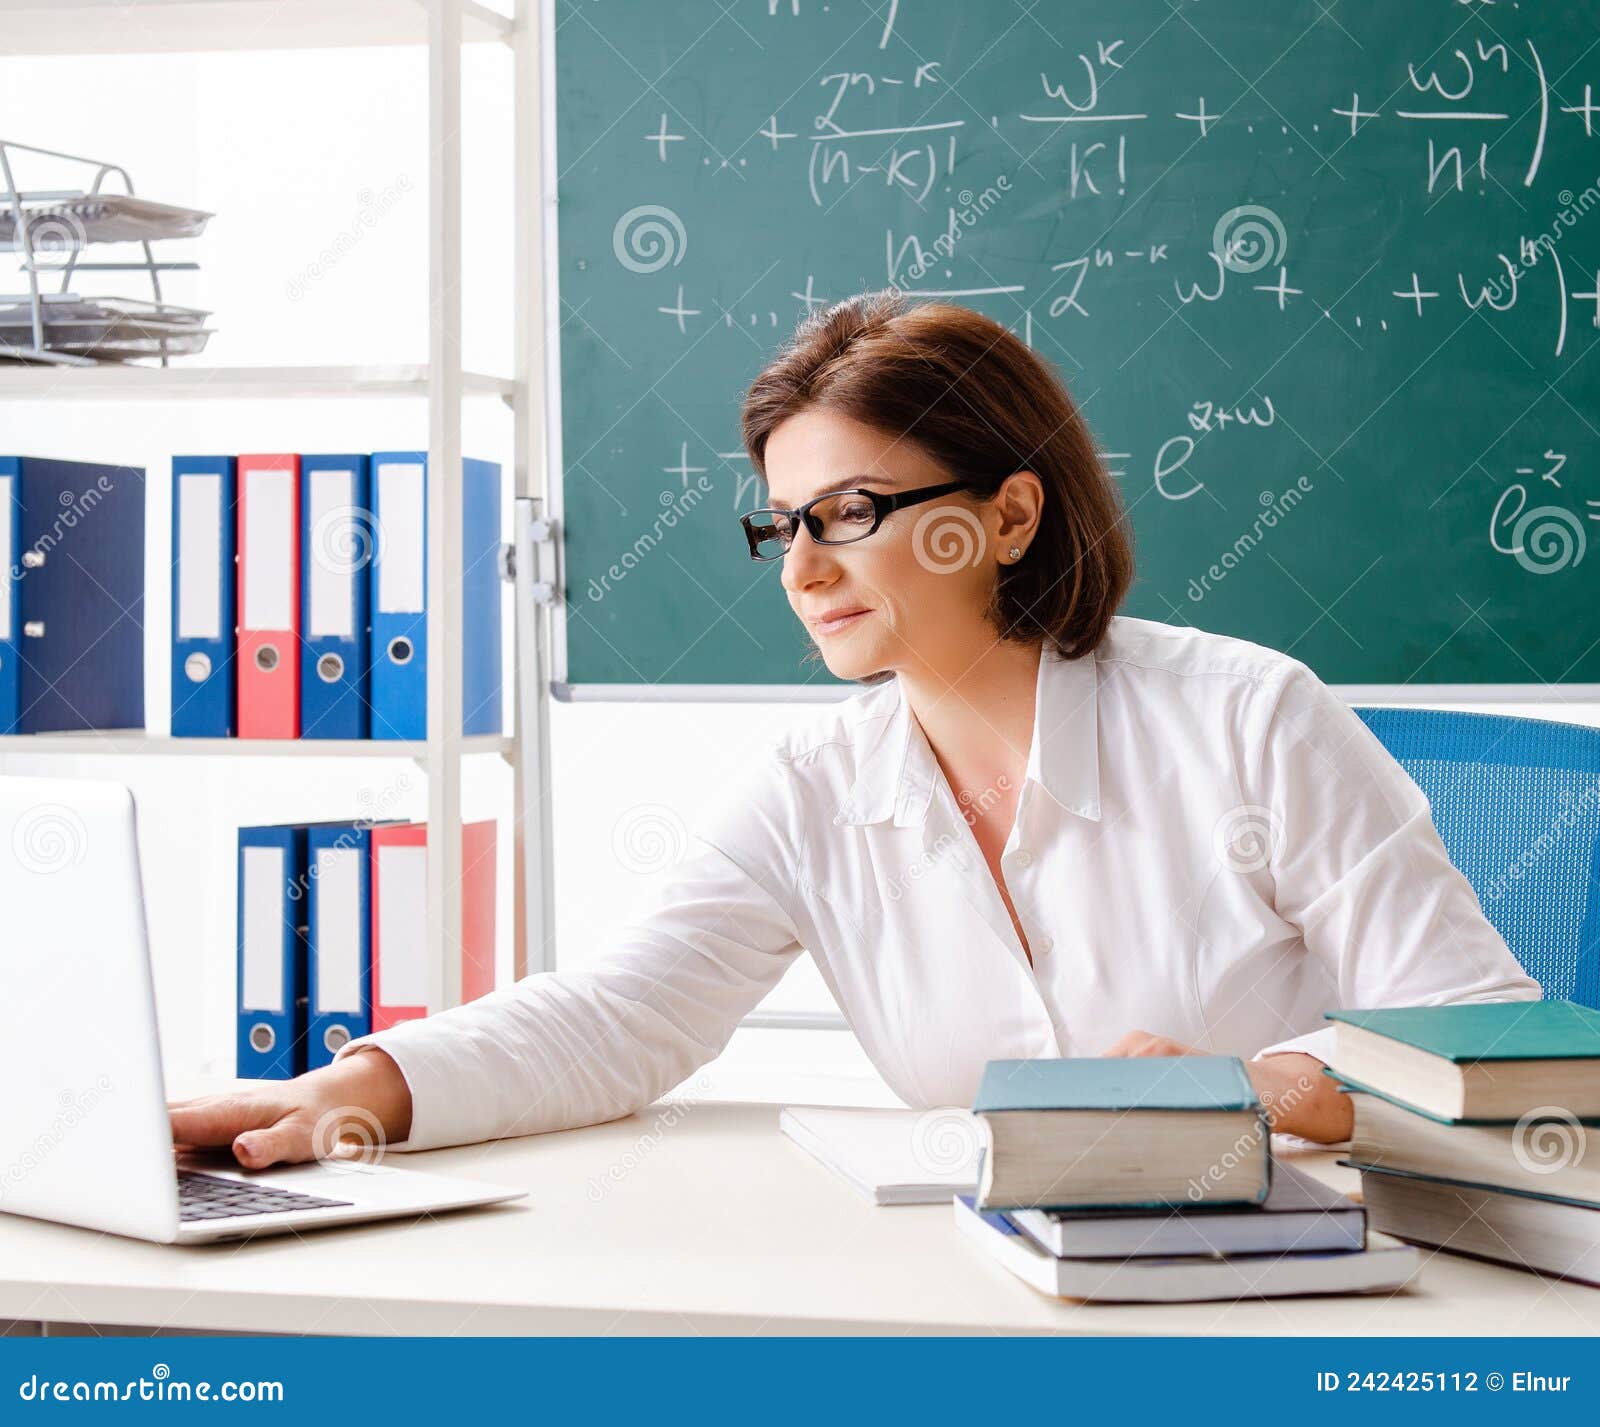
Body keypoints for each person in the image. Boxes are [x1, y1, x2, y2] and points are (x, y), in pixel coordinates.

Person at [170, 289, 1540, 1168]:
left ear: (1009, 514)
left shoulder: (1250, 720)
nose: (804, 569)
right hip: (979, 1291)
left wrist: (1262, 1085)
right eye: (783, 526)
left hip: (1273, 1287)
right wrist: (365, 1089)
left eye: (850, 515)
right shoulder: (812, 786)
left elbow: (1485, 1034)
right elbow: (621, 1016)